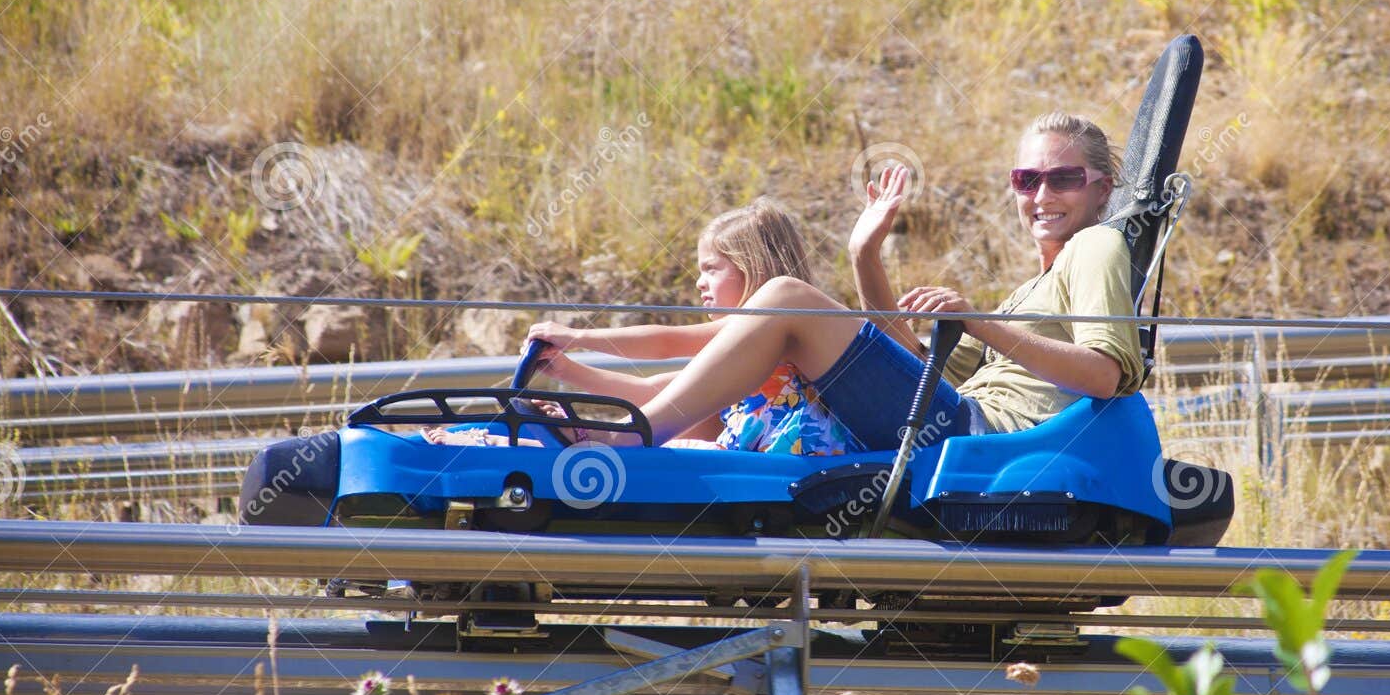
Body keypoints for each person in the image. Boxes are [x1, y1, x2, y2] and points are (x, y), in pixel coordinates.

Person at [563, 112, 1143, 449]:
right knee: (770, 357)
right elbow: (911, 363)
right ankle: (616, 421)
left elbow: (1105, 374)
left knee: (787, 301)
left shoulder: (1097, 244)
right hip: (948, 416)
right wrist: (865, 253)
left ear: (1102, 186)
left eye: (1063, 178)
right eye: (1027, 179)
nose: (1041, 196)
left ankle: (632, 439)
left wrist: (977, 321)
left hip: (979, 438)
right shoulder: (1033, 286)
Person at [431, 198, 852, 456]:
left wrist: (580, 337)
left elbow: (667, 340)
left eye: (711, 269)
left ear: (752, 269)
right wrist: (568, 370)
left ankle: (579, 439)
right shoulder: (744, 349)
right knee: (663, 442)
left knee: (661, 450)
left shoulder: (771, 325)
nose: (699, 283)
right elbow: (660, 393)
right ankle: (544, 440)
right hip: (756, 453)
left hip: (782, 462)